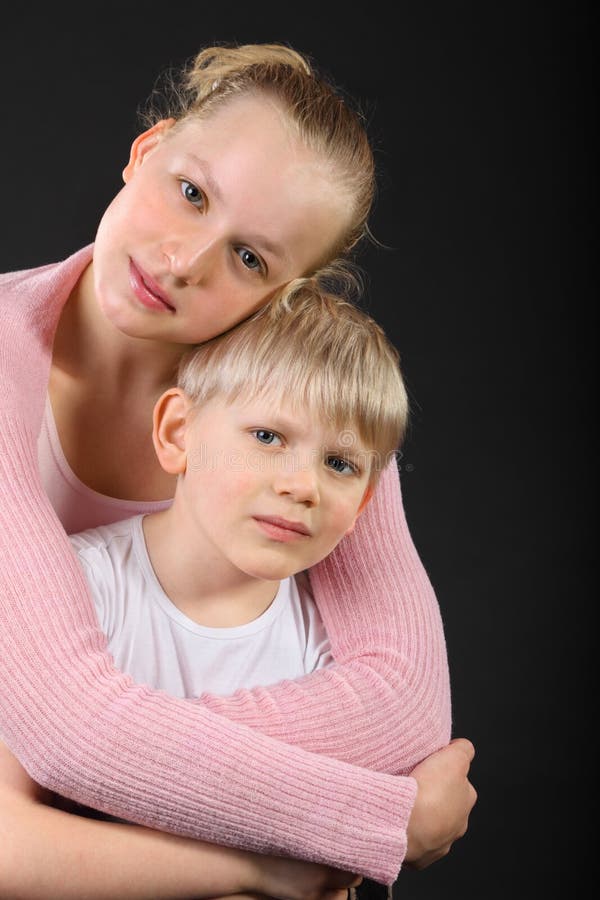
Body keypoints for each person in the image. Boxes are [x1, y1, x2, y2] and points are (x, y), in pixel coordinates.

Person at [0, 41, 475, 891]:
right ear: (148, 151)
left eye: (250, 259)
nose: (183, 262)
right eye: (190, 194)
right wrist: (349, 832)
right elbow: (68, 729)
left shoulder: (296, 416)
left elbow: (405, 707)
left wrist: (114, 767)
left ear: (290, 293)